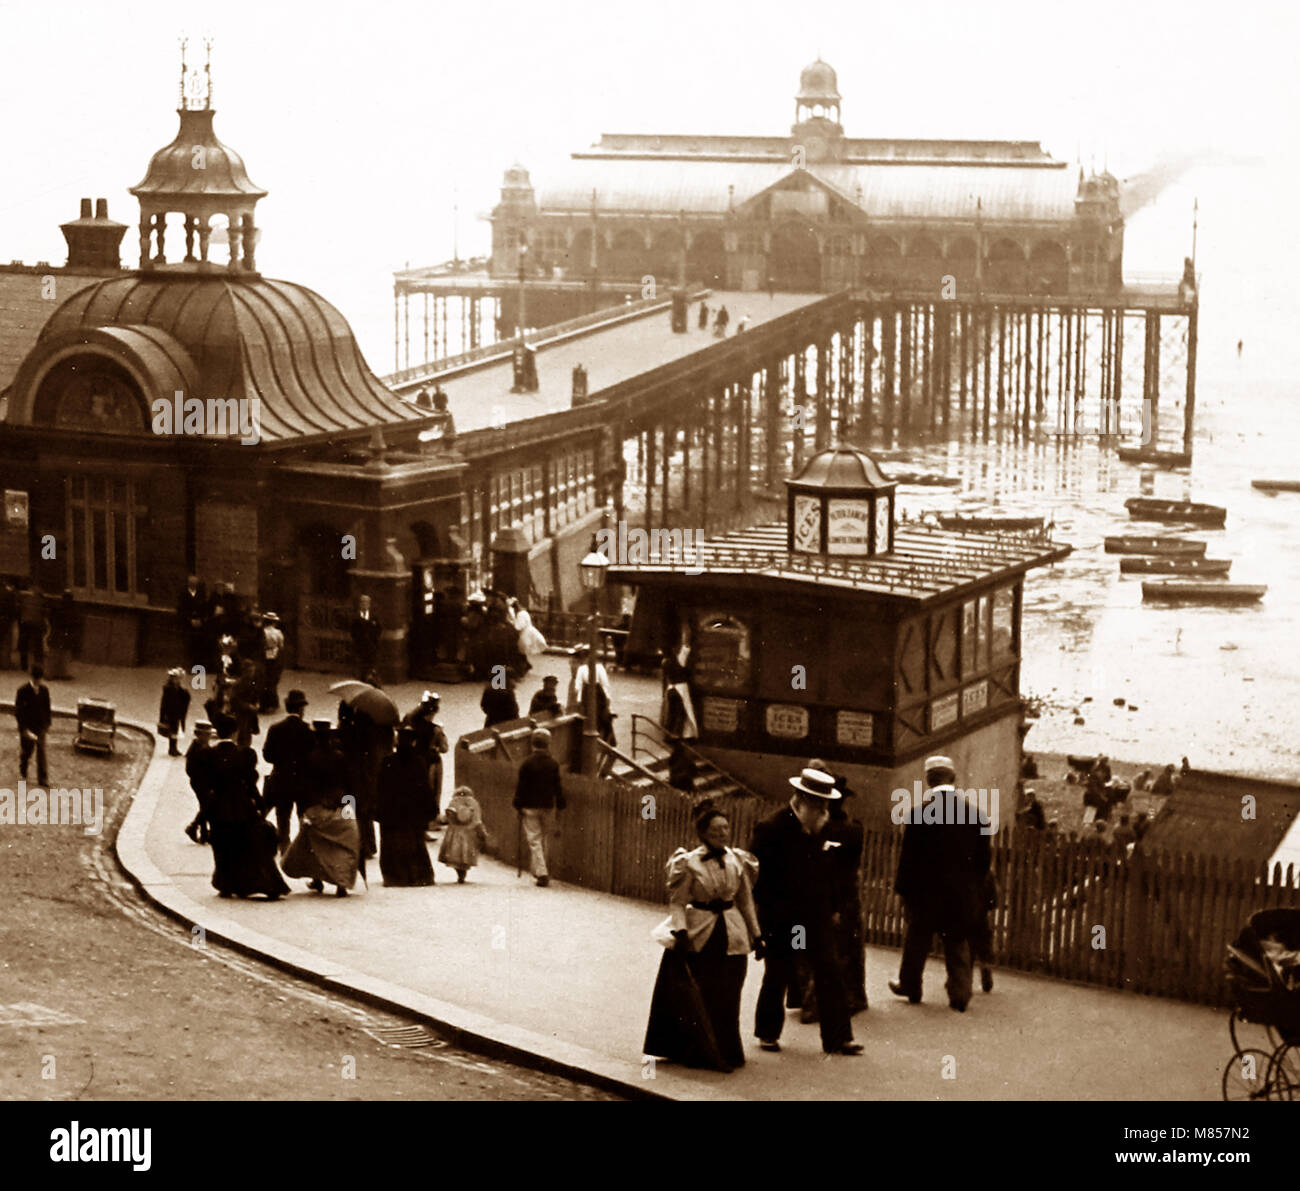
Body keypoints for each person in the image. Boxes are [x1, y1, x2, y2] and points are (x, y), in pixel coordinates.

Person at [751, 768, 863, 1056]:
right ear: (801, 800)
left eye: (826, 806)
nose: (824, 812)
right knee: (778, 973)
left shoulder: (822, 827)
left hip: (815, 918)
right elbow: (758, 882)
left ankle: (839, 1038)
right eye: (818, 805)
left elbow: (833, 874)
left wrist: (834, 907)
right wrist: (766, 922)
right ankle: (767, 1033)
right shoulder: (770, 828)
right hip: (782, 918)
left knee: (830, 971)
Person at [643, 807, 763, 1072]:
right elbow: (677, 903)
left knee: (729, 994)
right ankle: (698, 1052)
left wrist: (756, 935)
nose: (721, 834)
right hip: (700, 934)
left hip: (732, 932)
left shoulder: (737, 860)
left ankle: (726, 1050)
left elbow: (745, 901)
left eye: (725, 828)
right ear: (702, 833)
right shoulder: (688, 863)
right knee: (700, 995)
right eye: (715, 830)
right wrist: (681, 932)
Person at [889, 755, 990, 1012]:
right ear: (952, 779)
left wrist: (903, 891)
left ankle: (910, 986)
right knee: (957, 943)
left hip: (925, 896)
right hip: (959, 896)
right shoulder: (976, 816)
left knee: (916, 941)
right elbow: (983, 864)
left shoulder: (918, 815)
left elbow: (908, 860)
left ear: (928, 780)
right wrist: (973, 891)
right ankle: (960, 994)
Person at [802, 770, 868, 1019]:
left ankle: (809, 1000)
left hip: (819, 893)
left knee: (815, 948)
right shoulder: (852, 830)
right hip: (845, 895)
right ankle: (846, 997)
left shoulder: (816, 828)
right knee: (846, 948)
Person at [205, 714, 288, 901]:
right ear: (235, 732)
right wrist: (260, 805)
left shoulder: (209, 754)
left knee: (221, 847)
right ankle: (252, 883)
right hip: (240, 807)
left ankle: (225, 883)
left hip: (218, 806)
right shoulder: (244, 755)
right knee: (243, 845)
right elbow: (250, 785)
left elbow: (207, 784)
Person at [283, 723, 362, 897]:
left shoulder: (308, 758)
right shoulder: (340, 757)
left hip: (317, 807)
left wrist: (304, 810)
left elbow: (303, 788)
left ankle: (317, 879)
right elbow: (350, 785)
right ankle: (341, 882)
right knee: (345, 843)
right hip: (340, 806)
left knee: (312, 844)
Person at [375, 726, 437, 886]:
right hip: (412, 811)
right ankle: (417, 876)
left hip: (392, 811)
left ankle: (395, 877)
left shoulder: (388, 761)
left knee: (392, 843)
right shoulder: (418, 762)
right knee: (414, 842)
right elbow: (424, 788)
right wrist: (431, 809)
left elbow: (381, 787)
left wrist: (378, 809)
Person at [262, 690, 316, 853]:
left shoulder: (275, 728)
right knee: (302, 814)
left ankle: (284, 846)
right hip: (302, 780)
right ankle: (302, 847)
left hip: (281, 778)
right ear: (301, 709)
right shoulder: (308, 730)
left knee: (283, 815)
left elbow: (267, 755)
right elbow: (312, 757)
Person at [513, 728, 565, 887]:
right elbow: (558, 786)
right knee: (544, 838)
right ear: (548, 744)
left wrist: (518, 805)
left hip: (529, 807)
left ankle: (541, 872)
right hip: (547, 806)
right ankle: (540, 870)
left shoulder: (526, 764)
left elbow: (521, 787)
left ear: (532, 744)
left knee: (534, 840)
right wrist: (561, 804)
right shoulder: (553, 764)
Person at [439, 785, 488, 883]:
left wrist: (439, 819)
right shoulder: (474, 803)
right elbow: (477, 820)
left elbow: (446, 818)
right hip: (469, 834)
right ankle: (463, 874)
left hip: (454, 834)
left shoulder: (454, 802)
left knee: (456, 857)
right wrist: (482, 833)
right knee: (465, 857)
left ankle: (459, 874)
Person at [14, 664, 51, 788]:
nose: (38, 682)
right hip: (27, 726)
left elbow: (47, 708)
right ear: (32, 678)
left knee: (41, 751)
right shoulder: (22, 691)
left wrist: (47, 724)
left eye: (40, 679)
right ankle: (23, 767)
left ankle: (43, 778)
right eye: (36, 679)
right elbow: (18, 712)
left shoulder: (44, 690)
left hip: (40, 726)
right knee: (27, 751)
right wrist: (23, 729)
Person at [184, 720, 216, 844]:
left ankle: (203, 832)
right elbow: (190, 769)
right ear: (199, 735)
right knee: (208, 805)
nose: (209, 737)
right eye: (206, 734)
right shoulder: (196, 750)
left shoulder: (204, 747)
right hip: (200, 783)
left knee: (205, 806)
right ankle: (193, 827)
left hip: (204, 782)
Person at [177, 575, 209, 672]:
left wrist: (201, 620)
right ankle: (189, 666)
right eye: (191, 583)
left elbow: (205, 608)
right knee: (188, 645)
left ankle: (197, 666)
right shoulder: (183, 594)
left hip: (199, 624)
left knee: (198, 645)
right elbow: (181, 609)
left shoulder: (201, 594)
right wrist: (189, 620)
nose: (193, 584)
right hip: (188, 623)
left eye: (195, 583)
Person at [157, 667, 191, 757]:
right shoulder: (169, 689)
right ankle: (172, 748)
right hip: (171, 714)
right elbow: (164, 704)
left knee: (174, 731)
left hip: (177, 714)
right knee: (172, 731)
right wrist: (162, 716)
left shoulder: (177, 688)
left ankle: (173, 748)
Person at [46, 590, 78, 680]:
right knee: (65, 654)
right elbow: (75, 622)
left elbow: (51, 618)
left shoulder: (57, 606)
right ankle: (63, 673)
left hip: (56, 632)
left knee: (54, 653)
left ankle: (50, 673)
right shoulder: (73, 608)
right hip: (67, 633)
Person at [350, 594, 382, 680]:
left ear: (369, 604)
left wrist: (374, 642)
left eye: (366, 602)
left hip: (372, 648)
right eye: (362, 602)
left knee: (371, 669)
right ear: (359, 604)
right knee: (360, 669)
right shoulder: (355, 618)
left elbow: (379, 630)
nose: (364, 604)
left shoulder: (374, 617)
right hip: (360, 648)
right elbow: (353, 632)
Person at [16, 583, 47, 671]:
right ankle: (38, 665)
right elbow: (44, 614)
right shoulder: (42, 601)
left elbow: (20, 610)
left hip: (25, 623)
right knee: (37, 645)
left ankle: (23, 665)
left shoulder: (25, 599)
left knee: (24, 644)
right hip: (37, 624)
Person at [260, 612, 285, 713]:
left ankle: (264, 703)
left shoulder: (262, 632)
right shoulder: (278, 633)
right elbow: (281, 646)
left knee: (264, 679)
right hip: (275, 656)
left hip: (264, 656)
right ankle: (272, 703)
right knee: (273, 680)